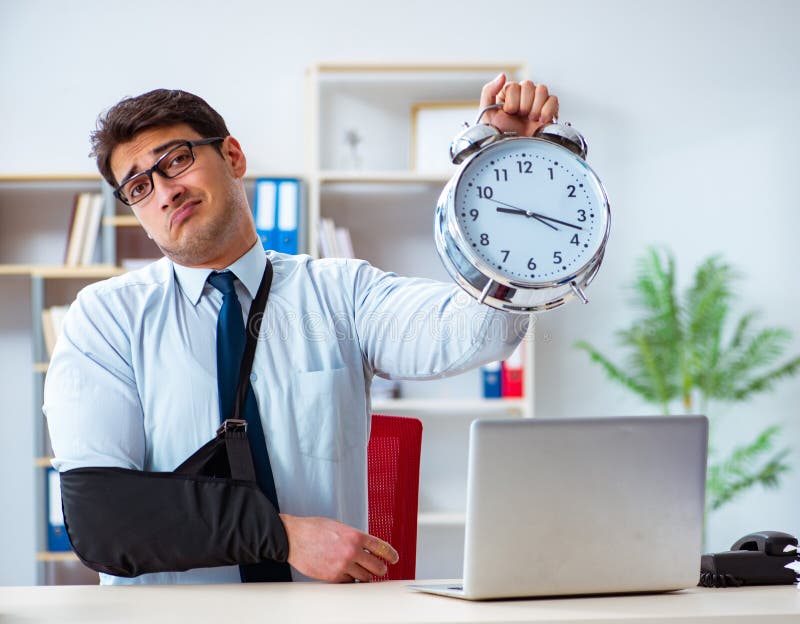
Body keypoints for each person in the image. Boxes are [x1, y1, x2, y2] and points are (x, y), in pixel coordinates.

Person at [43, 73, 559, 585]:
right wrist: (279, 535)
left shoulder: (343, 293)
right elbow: (100, 519)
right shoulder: (105, 320)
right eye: (138, 185)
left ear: (233, 157)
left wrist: (505, 174)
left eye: (176, 159)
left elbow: (480, 332)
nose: (165, 191)